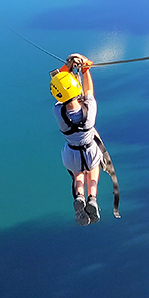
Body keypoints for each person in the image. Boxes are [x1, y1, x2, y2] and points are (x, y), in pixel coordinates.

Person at [50, 53, 101, 226]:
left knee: (78, 174)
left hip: (71, 153)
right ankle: (92, 197)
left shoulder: (58, 112)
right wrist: (85, 68)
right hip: (90, 149)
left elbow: (59, 86)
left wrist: (68, 65)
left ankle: (79, 195)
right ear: (75, 88)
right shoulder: (90, 108)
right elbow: (88, 91)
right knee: (93, 169)